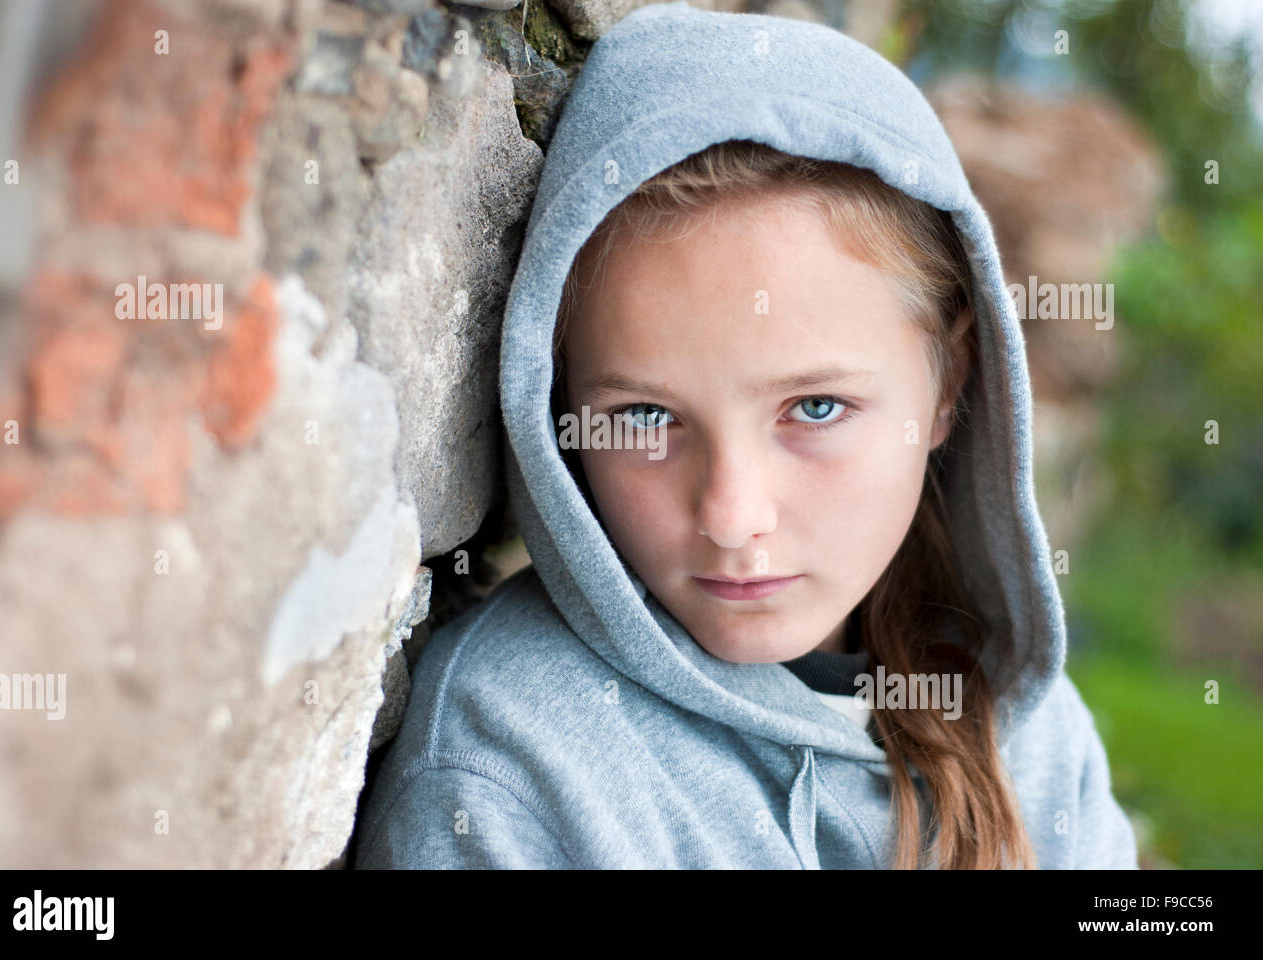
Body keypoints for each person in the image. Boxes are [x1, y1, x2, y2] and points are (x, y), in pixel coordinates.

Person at [355, 1, 1138, 869]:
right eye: (647, 417)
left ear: (950, 384)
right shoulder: (510, 762)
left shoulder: (1031, 736)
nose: (731, 516)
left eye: (814, 409)